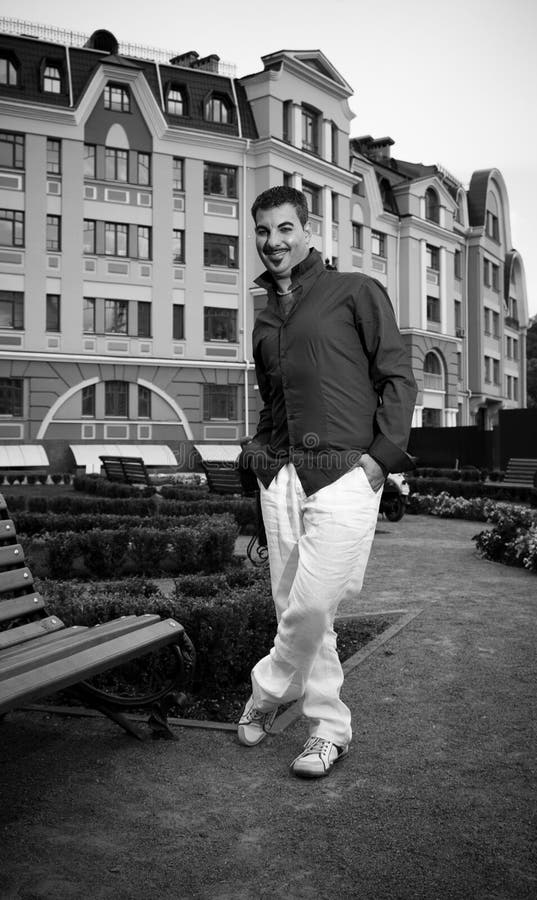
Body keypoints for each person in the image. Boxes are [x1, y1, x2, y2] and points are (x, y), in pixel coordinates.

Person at [237, 185, 417, 779]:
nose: (273, 242)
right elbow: (274, 405)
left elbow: (396, 377)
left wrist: (380, 458)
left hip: (345, 474)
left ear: (308, 231)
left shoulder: (356, 291)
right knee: (298, 608)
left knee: (313, 604)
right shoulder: (264, 318)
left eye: (284, 229)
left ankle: (264, 692)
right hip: (283, 477)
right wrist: (258, 456)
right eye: (263, 231)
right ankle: (328, 731)